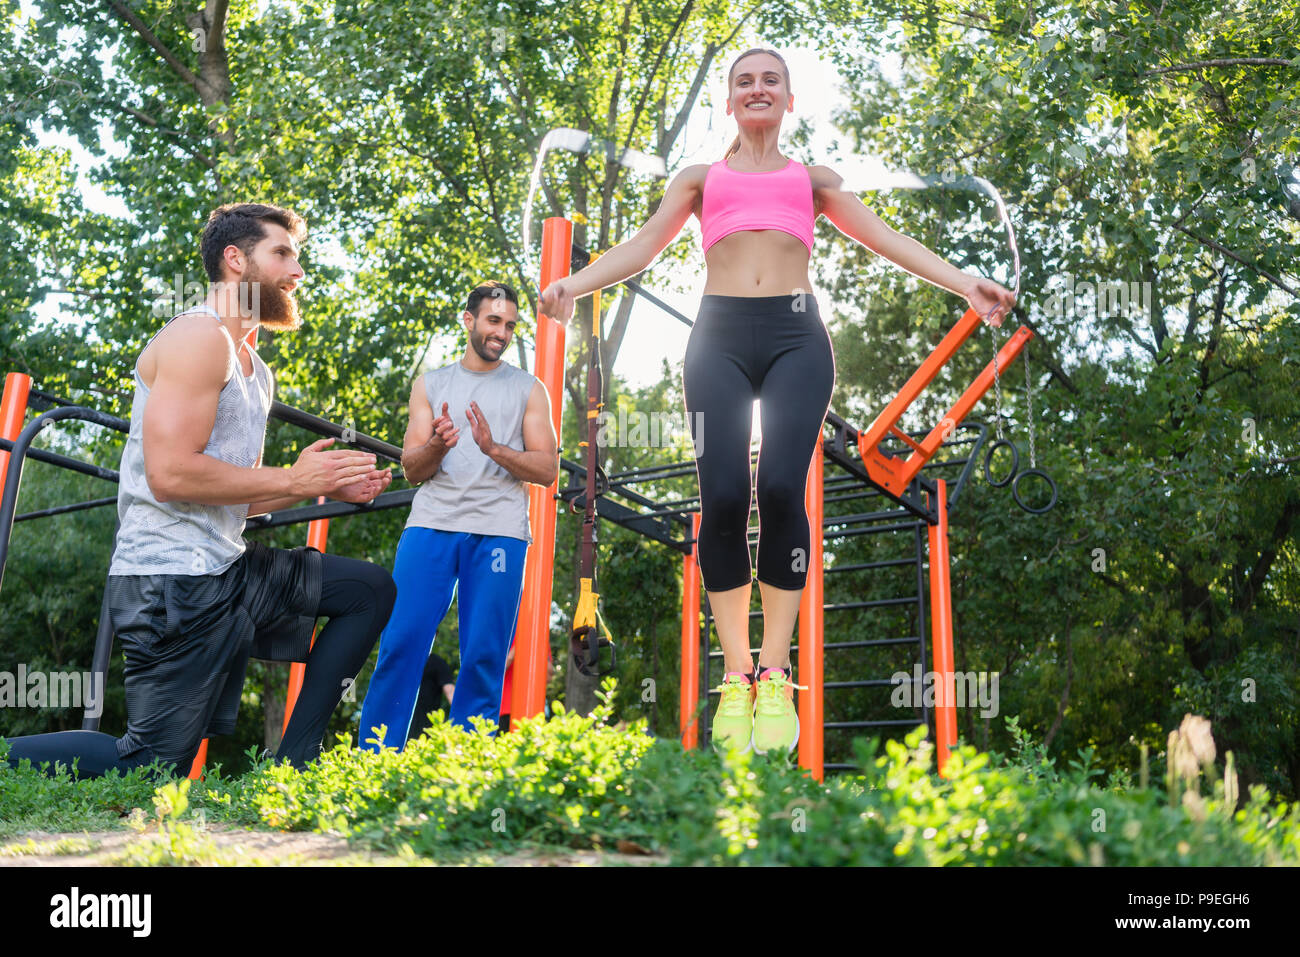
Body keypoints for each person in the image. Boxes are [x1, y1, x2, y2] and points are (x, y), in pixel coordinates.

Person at [539, 48, 1016, 757]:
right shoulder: (700, 178)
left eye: (770, 80)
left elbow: (888, 239)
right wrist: (575, 285)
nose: (757, 89)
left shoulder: (813, 179)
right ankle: (735, 674)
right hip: (719, 337)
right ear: (728, 102)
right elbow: (643, 245)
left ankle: (775, 667)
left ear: (789, 100)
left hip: (796, 337)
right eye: (744, 81)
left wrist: (965, 282)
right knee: (726, 494)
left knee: (781, 489)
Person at [3, 202, 397, 779]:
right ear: (236, 261)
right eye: (282, 254)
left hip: (225, 567)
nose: (298, 272)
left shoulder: (256, 371)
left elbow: (236, 496)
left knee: (367, 590)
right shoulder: (196, 337)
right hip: (167, 581)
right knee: (149, 769)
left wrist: (318, 484)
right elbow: (170, 476)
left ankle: (292, 771)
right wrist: (294, 478)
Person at [357, 281, 558, 749]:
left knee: (485, 654)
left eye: (509, 325)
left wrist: (493, 448)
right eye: (493, 321)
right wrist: (437, 445)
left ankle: (464, 764)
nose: (502, 333)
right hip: (431, 526)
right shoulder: (431, 384)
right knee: (402, 643)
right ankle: (375, 757)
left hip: (500, 534)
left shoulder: (529, 389)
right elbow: (412, 469)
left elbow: (547, 469)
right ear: (468, 320)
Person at [405, 649, 455, 743]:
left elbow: (450, 692)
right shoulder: (404, 661)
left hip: (426, 726)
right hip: (403, 723)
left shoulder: (437, 663)